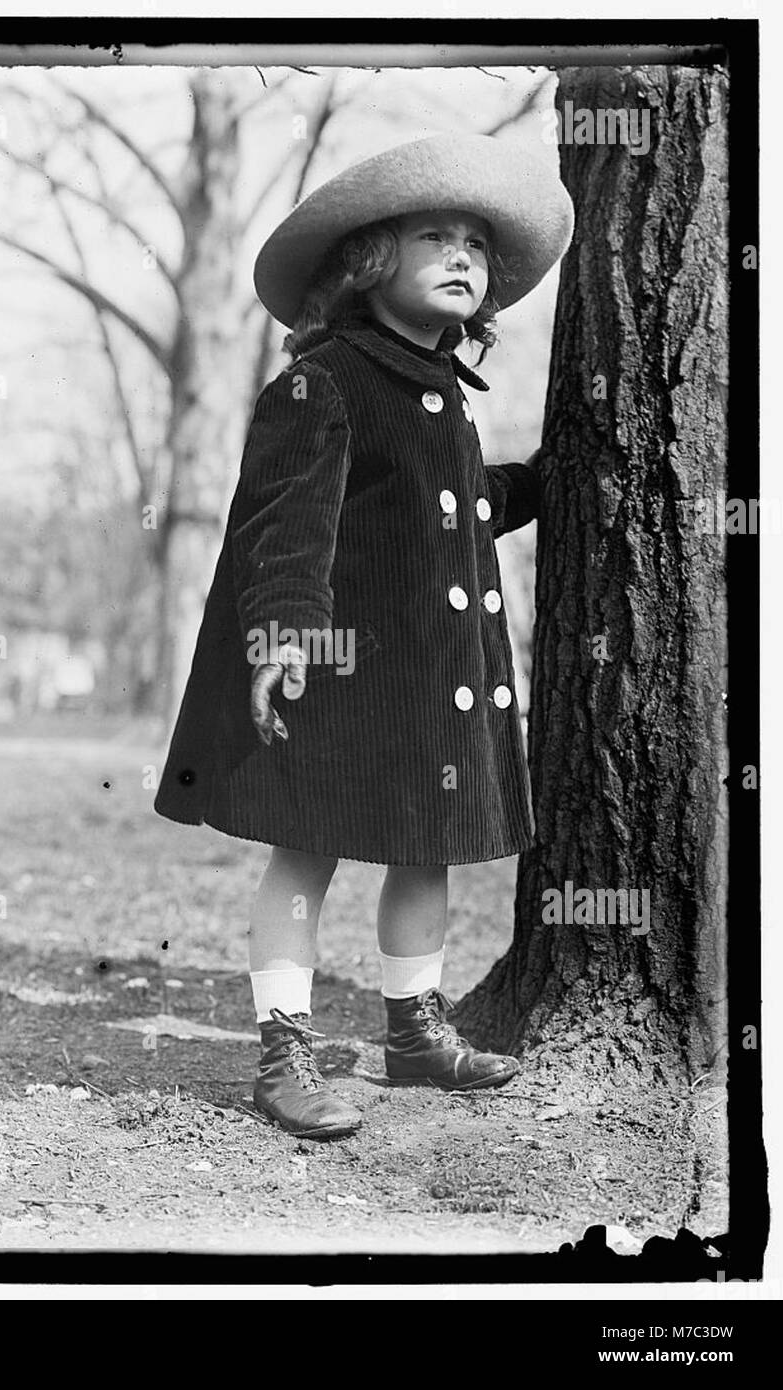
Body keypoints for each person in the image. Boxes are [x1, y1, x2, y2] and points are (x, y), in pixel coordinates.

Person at [154, 132, 574, 1138]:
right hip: (333, 679)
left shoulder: (441, 398)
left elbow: (458, 507)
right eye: (435, 235)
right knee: (306, 853)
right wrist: (285, 636)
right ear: (368, 263)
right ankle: (282, 1048)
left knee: (422, 851)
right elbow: (284, 526)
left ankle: (414, 1028)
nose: (465, 255)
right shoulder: (326, 381)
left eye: (476, 241)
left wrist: (543, 480)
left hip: (425, 686)